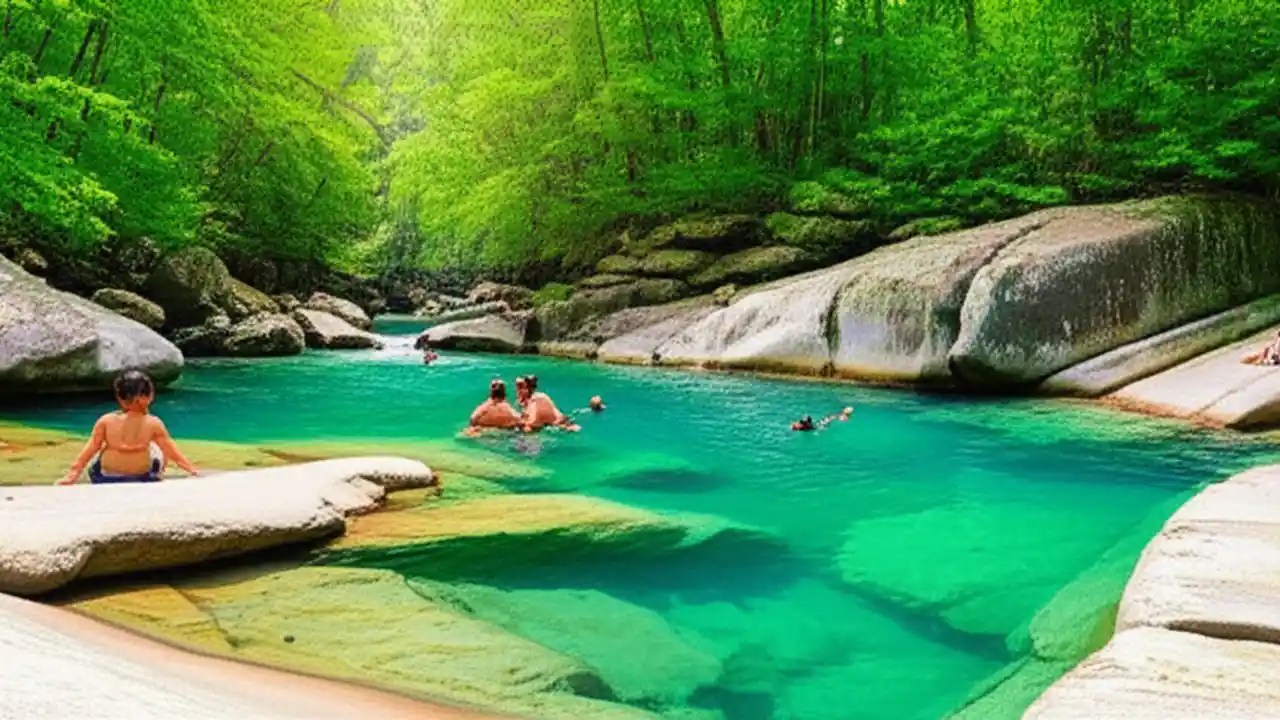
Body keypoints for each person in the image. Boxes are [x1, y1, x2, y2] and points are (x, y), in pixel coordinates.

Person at [57, 370, 199, 485]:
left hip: (106, 477)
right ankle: (159, 474)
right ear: (148, 396)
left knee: (98, 447)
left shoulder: (106, 421)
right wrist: (191, 469)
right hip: (143, 477)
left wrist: (73, 474)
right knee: (159, 447)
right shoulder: (153, 423)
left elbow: (90, 449)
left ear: (120, 398)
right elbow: (171, 451)